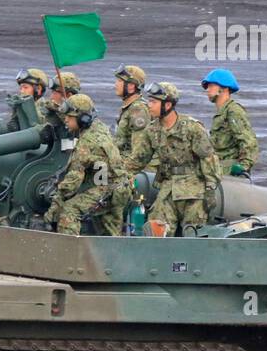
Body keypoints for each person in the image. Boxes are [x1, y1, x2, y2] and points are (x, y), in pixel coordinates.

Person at [126, 82, 220, 236]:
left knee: (193, 236)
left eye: (153, 102)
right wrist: (118, 175)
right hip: (167, 191)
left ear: (168, 104)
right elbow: (137, 160)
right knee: (155, 232)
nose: (149, 105)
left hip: (194, 192)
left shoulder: (192, 128)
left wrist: (210, 190)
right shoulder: (152, 130)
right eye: (149, 101)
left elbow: (208, 159)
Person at [43, 94, 126, 236]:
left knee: (69, 210)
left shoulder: (87, 142)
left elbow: (71, 182)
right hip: (119, 186)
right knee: (109, 233)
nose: (66, 120)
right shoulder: (98, 127)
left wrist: (53, 209)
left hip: (108, 188)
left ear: (83, 119)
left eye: (69, 117)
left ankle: (69, 252)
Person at [201, 68, 259, 176]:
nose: (207, 90)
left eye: (211, 86)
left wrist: (243, 167)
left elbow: (249, 141)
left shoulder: (233, 111)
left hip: (229, 171)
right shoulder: (222, 112)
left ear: (224, 88)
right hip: (219, 167)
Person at [112, 63, 151, 169]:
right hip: (122, 160)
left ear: (131, 86)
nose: (116, 84)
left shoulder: (138, 110)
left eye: (120, 81)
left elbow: (139, 153)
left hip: (132, 168)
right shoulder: (128, 108)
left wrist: (121, 173)